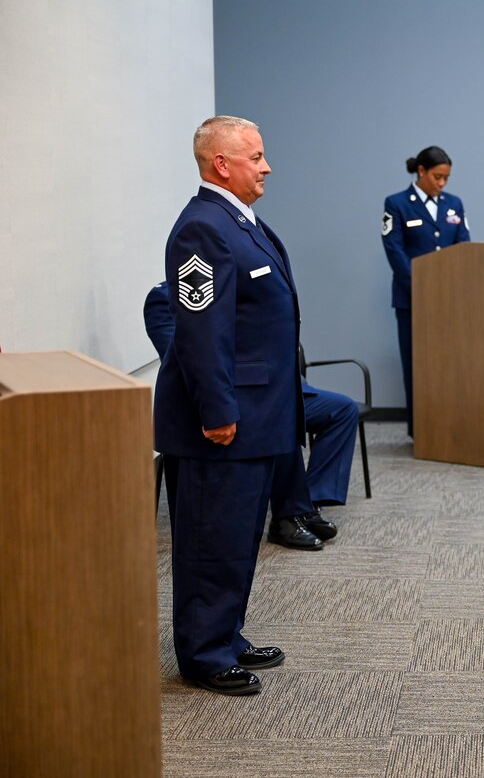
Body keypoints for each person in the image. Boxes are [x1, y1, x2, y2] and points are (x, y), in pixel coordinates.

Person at [154, 116, 302, 695]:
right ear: (222, 164)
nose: (266, 167)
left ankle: (226, 633)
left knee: (237, 534)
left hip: (256, 415)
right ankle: (204, 653)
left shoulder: (239, 222)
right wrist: (216, 410)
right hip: (222, 421)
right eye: (257, 156)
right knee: (210, 537)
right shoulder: (202, 229)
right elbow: (200, 333)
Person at [144, 282, 352, 550]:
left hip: (281, 386)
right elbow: (184, 359)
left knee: (342, 409)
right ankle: (287, 516)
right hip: (225, 397)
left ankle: (307, 503)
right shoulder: (163, 297)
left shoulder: (235, 289)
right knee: (276, 418)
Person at [381, 145, 470, 437]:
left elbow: (464, 248)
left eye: (446, 178)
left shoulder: (454, 204)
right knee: (416, 364)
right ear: (421, 171)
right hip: (412, 301)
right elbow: (395, 251)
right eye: (437, 177)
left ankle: (452, 425)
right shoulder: (397, 203)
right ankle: (422, 431)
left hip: (450, 301)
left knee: (451, 363)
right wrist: (423, 290)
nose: (442, 183)